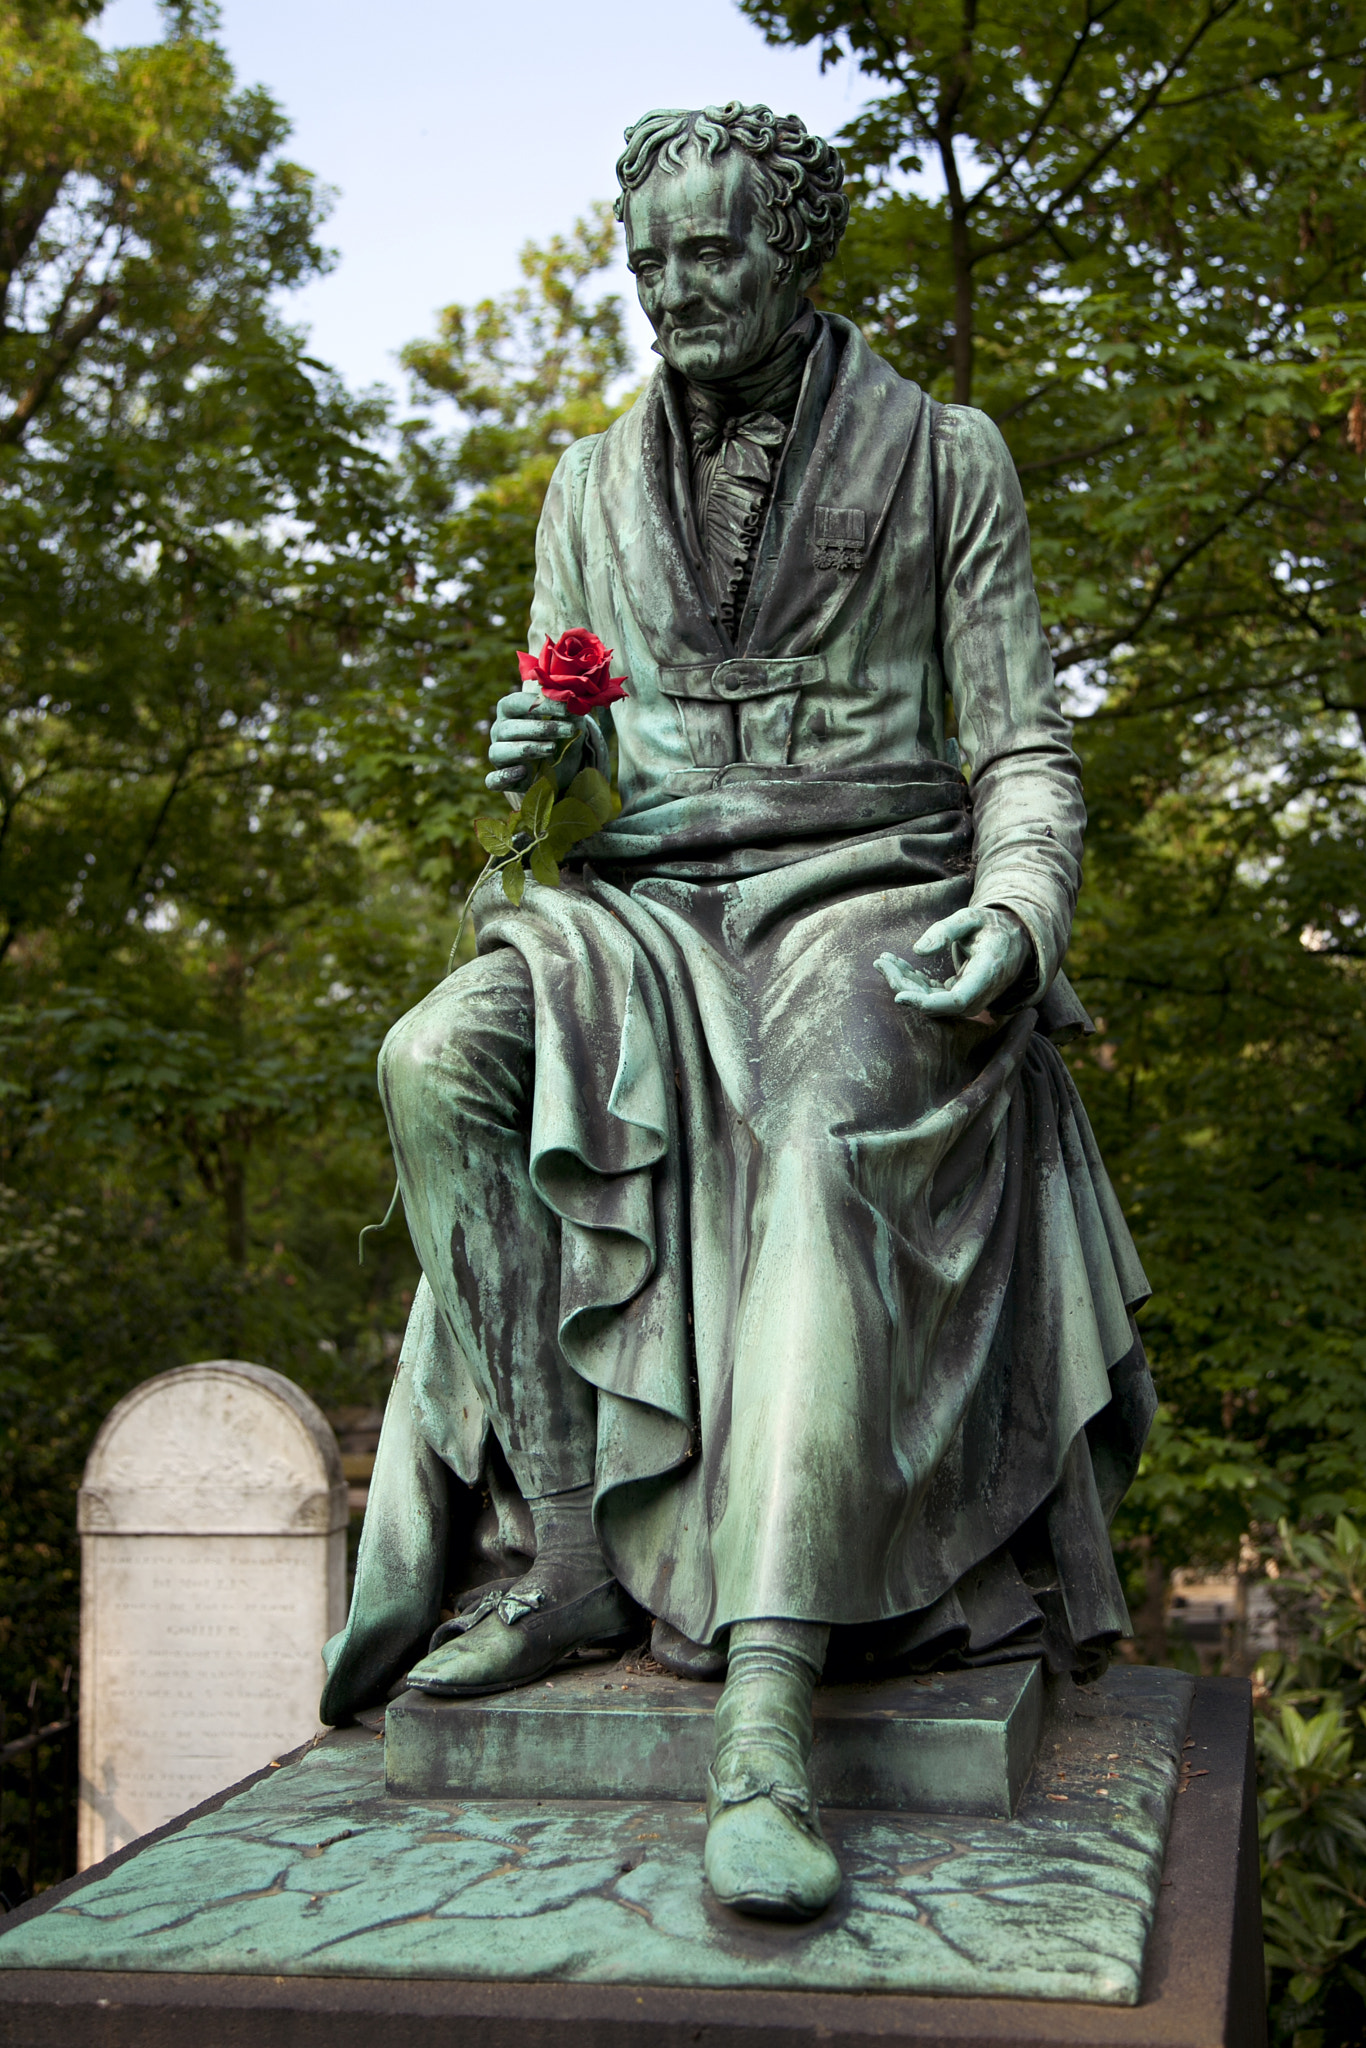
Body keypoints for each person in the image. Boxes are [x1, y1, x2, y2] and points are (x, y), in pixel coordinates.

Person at [320, 102, 1154, 1923]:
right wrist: (547, 767)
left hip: (864, 893)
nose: (675, 289)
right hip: (636, 912)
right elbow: (566, 827)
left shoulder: (945, 455)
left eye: (712, 253)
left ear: (795, 250)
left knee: (821, 1131)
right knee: (435, 1062)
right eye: (652, 261)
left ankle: (767, 1706)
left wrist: (1015, 913)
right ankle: (562, 1561)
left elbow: (1017, 744)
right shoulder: (580, 487)